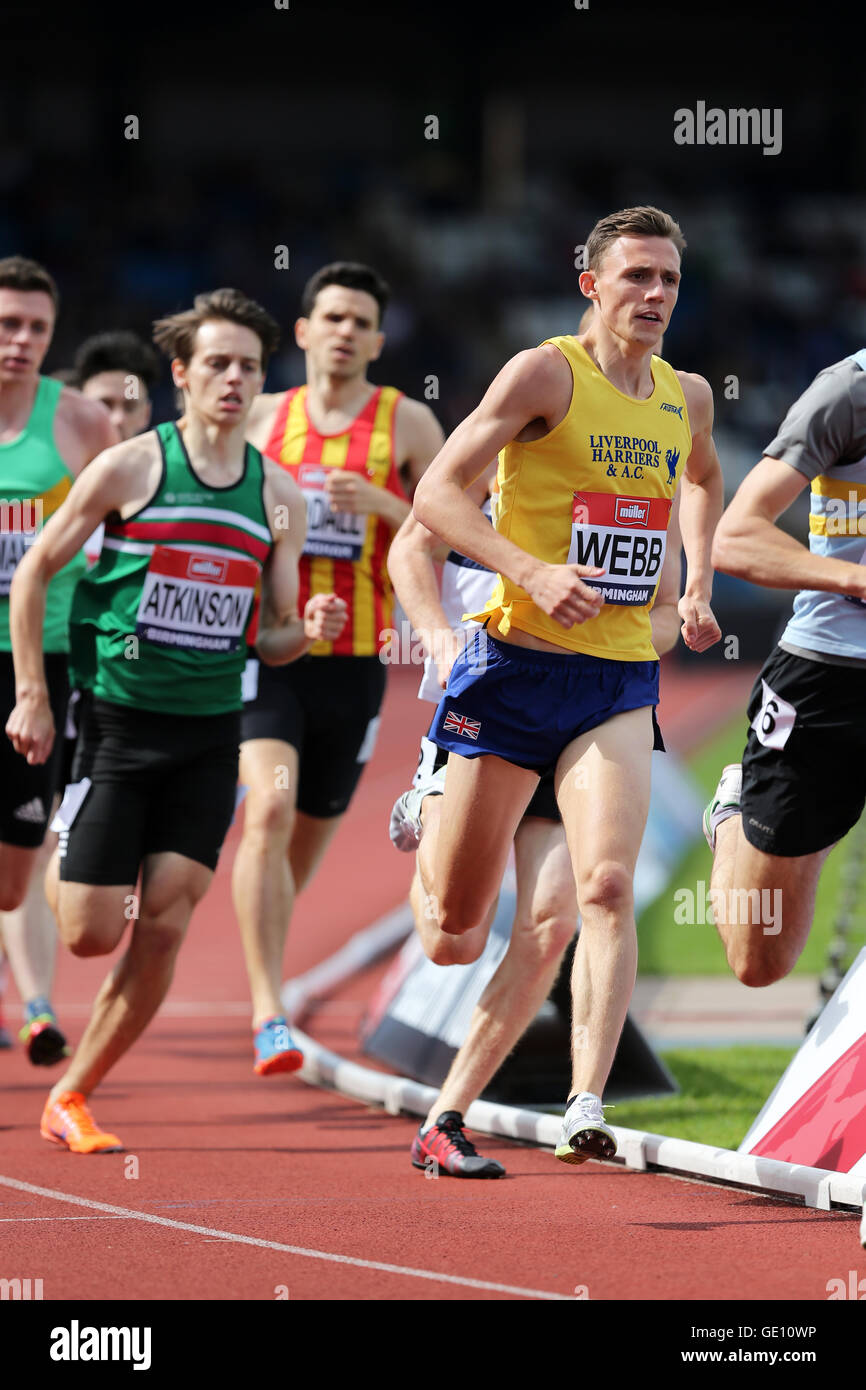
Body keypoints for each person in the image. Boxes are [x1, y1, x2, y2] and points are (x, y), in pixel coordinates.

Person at [411, 205, 722, 1166]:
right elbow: (435, 495)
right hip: (510, 673)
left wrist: (699, 579)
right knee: (455, 932)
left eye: (669, 278)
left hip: (616, 678)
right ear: (592, 284)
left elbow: (704, 480)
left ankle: (560, 1106)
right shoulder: (547, 372)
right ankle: (429, 791)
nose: (656, 295)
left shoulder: (688, 396)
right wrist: (530, 570)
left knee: (595, 893)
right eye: (637, 276)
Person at [6, 287, 346, 1152]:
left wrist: (300, 634)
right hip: (116, 727)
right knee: (87, 933)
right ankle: (71, 861)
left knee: (163, 921)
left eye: (250, 366)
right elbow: (34, 573)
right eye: (218, 364)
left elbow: (271, 639)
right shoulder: (132, 468)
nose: (235, 379)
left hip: (207, 736)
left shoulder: (279, 497)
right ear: (184, 375)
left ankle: (74, 1095)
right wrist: (34, 696)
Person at [388, 461, 686, 1176]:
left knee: (557, 919)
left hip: (589, 712)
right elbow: (409, 546)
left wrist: (643, 626)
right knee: (453, 937)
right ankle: (425, 807)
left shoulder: (629, 485)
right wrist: (434, 632)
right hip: (488, 709)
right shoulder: (505, 460)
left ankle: (455, 1115)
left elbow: (667, 611)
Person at [235, 262, 444, 1075]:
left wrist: (384, 505)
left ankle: (266, 980)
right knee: (266, 816)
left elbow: (456, 531)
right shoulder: (260, 418)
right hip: (271, 654)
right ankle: (267, 1011)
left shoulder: (409, 423)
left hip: (356, 666)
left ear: (379, 340)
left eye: (361, 320)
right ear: (304, 330)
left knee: (295, 855)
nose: (346, 331)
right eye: (333, 316)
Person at [704, 349, 866, 985]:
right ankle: (733, 810)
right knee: (759, 959)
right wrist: (855, 579)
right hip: (827, 678)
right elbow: (736, 537)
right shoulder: (846, 393)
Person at [0, 255, 116, 1066]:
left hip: (47, 662)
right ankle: (32, 1004)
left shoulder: (76, 422)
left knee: (15, 874)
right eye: (8, 323)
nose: (21, 340)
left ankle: (33, 994)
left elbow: (131, 532)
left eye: (37, 327)